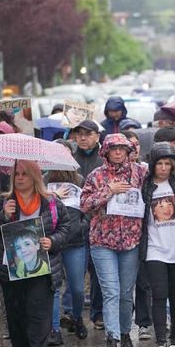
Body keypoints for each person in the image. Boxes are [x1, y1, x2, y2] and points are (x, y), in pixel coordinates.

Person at [0, 160, 71, 347]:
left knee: (39, 310)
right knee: (17, 313)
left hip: (43, 265)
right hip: (12, 267)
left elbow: (66, 227)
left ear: (35, 176)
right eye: (17, 174)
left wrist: (53, 241)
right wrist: (4, 215)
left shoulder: (51, 202)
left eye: (24, 174)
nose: (20, 178)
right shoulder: (4, 201)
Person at [80, 134, 147, 347]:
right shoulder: (95, 176)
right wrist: (109, 190)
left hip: (131, 240)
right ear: (105, 152)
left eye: (122, 149)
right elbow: (84, 204)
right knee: (111, 291)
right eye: (113, 149)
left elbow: (163, 175)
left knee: (127, 292)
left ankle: (126, 332)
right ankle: (112, 337)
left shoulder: (139, 172)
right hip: (102, 241)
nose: (118, 153)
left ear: (128, 151)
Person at [138, 143, 175, 347]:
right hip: (154, 248)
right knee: (159, 294)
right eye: (159, 163)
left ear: (173, 165)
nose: (163, 168)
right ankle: (160, 339)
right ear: (153, 165)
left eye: (167, 164)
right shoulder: (145, 186)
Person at [46, 170, 89, 345]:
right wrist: (53, 196)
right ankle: (54, 329)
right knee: (54, 287)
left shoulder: (80, 180)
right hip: (53, 242)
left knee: (77, 288)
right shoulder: (43, 180)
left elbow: (89, 206)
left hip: (75, 242)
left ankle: (76, 317)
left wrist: (82, 226)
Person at [70, 119, 104, 329]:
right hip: (75, 221)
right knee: (75, 276)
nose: (82, 138)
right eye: (79, 134)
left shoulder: (104, 158)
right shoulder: (70, 159)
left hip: (99, 221)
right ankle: (74, 315)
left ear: (97, 136)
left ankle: (98, 313)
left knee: (99, 272)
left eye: (87, 134)